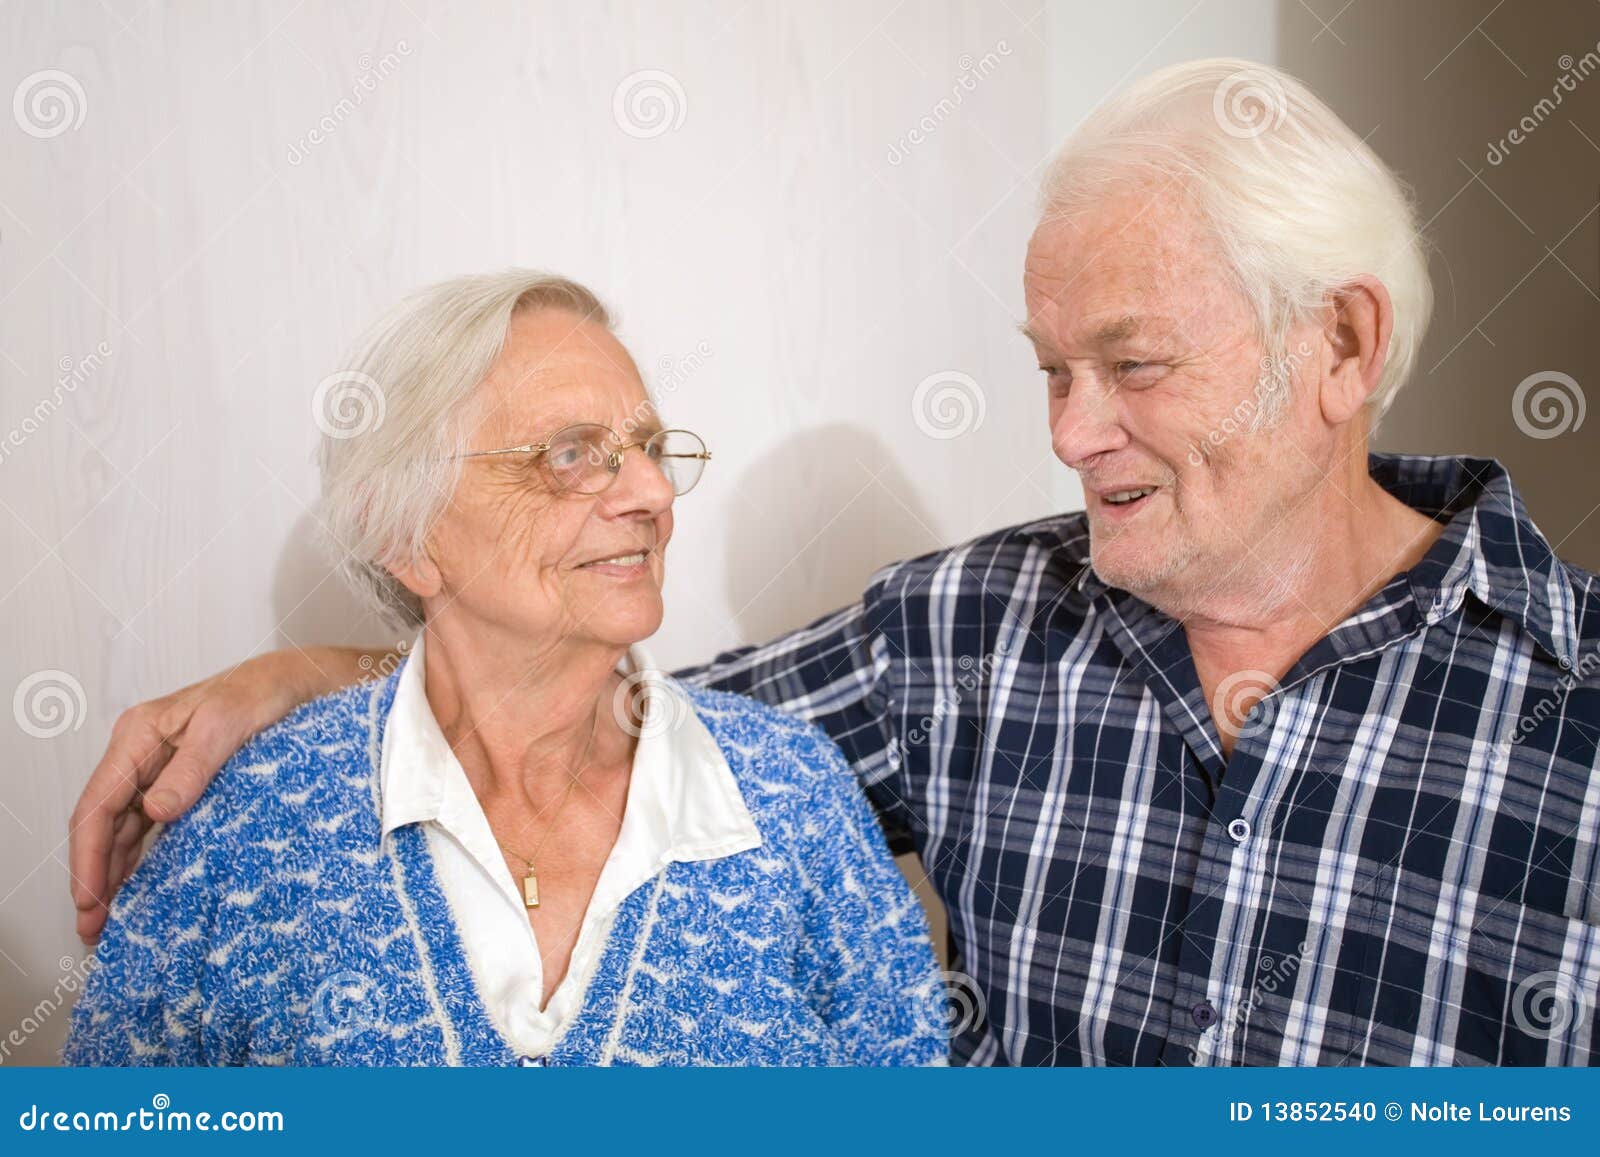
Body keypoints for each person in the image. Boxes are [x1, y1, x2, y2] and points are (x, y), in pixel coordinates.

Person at [71, 59, 1600, 1066]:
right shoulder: (969, 625)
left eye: (1132, 364)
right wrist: (317, 683)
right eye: (1050, 370)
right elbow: (599, 720)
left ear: (1341, 345)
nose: (1071, 434)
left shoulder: (1574, 713)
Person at [64, 270, 946, 1067]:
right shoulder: (247, 823)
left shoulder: (793, 789)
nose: (652, 491)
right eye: (568, 453)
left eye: (648, 446)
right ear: (405, 536)